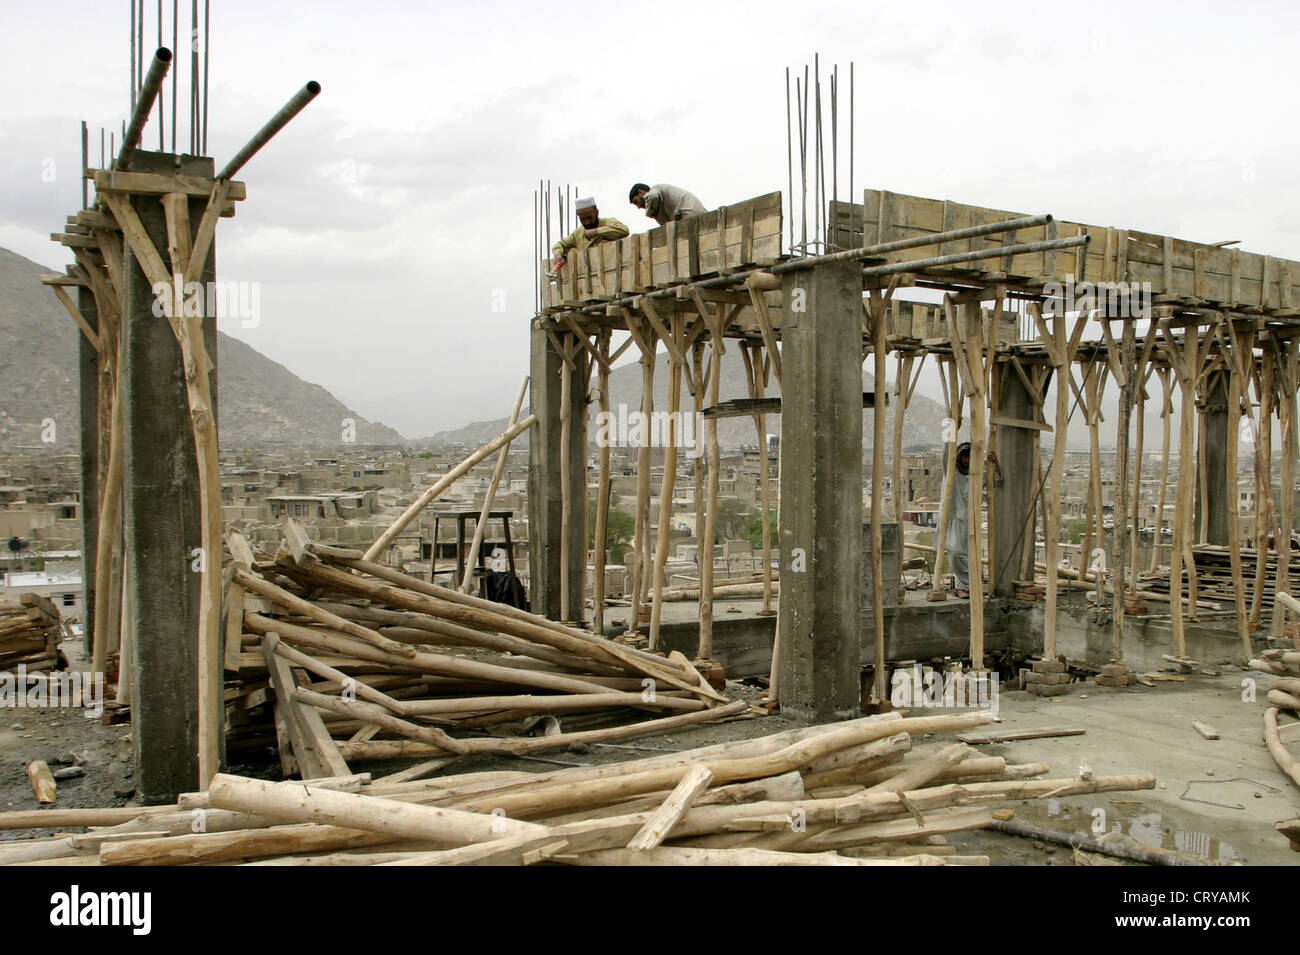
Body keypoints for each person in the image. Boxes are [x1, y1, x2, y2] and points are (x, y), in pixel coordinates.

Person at [940, 442, 1002, 598]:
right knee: (955, 552)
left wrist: (995, 465)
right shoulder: (952, 472)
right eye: (965, 457)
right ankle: (972, 582)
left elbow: (996, 481)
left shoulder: (976, 474)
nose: (967, 461)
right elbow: (946, 455)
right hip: (953, 518)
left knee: (967, 553)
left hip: (970, 519)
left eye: (970, 457)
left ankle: (963, 587)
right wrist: (952, 433)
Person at [550, 197, 629, 273]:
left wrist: (597, 231)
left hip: (612, 271)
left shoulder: (608, 222)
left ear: (597, 213)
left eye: (589, 217)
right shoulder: (578, 233)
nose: (587, 222)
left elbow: (624, 230)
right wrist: (558, 255)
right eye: (583, 219)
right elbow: (559, 245)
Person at [628, 182, 707, 226]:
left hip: (692, 219)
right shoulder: (659, 200)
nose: (638, 207)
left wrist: (649, 213)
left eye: (636, 202)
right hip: (695, 219)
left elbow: (652, 196)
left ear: (641, 192)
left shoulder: (655, 190)